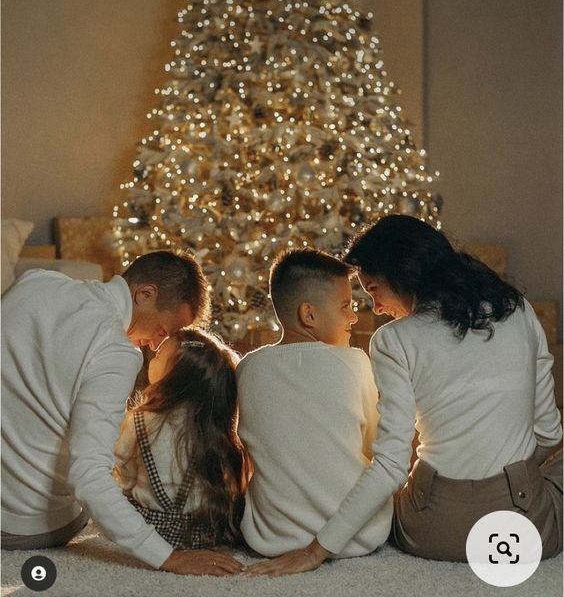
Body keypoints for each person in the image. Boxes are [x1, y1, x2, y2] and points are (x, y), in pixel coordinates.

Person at [247, 215, 562, 575]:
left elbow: (391, 465)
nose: (376, 307)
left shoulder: (393, 339)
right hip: (522, 523)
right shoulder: (517, 310)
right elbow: (549, 433)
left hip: (430, 530)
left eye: (374, 290)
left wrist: (316, 551)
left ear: (403, 275)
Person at [1, 251, 243, 576]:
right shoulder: (116, 352)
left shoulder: (34, 283)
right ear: (145, 293)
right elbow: (88, 476)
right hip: (24, 524)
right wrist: (168, 557)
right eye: (162, 328)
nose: (157, 343)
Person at [237, 248, 392, 563]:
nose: (353, 317)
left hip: (271, 535)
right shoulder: (355, 362)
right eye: (345, 306)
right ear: (308, 314)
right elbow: (377, 446)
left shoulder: (247, 368)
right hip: (358, 535)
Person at [114, 327, 249, 552]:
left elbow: (123, 472)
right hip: (203, 532)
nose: (153, 355)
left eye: (159, 355)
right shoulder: (214, 425)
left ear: (174, 375)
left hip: (150, 529)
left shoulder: (140, 420)